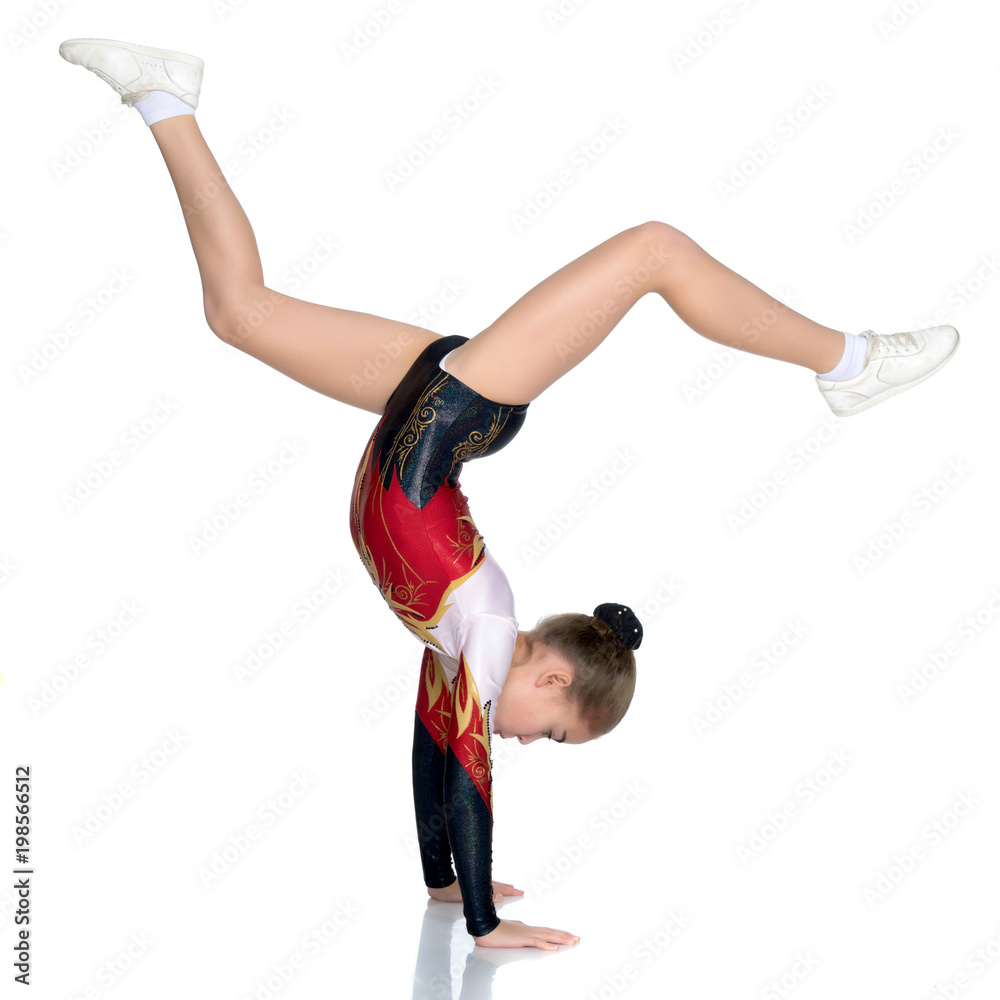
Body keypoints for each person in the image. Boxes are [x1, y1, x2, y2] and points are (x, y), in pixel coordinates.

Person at [58, 38, 960, 952]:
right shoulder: (485, 637)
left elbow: (431, 757)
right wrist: (489, 927)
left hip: (427, 410)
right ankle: (852, 361)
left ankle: (162, 100)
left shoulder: (459, 649)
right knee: (654, 250)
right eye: (554, 735)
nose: (526, 744)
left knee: (237, 312)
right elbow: (470, 780)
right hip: (460, 410)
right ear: (553, 677)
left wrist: (446, 883)